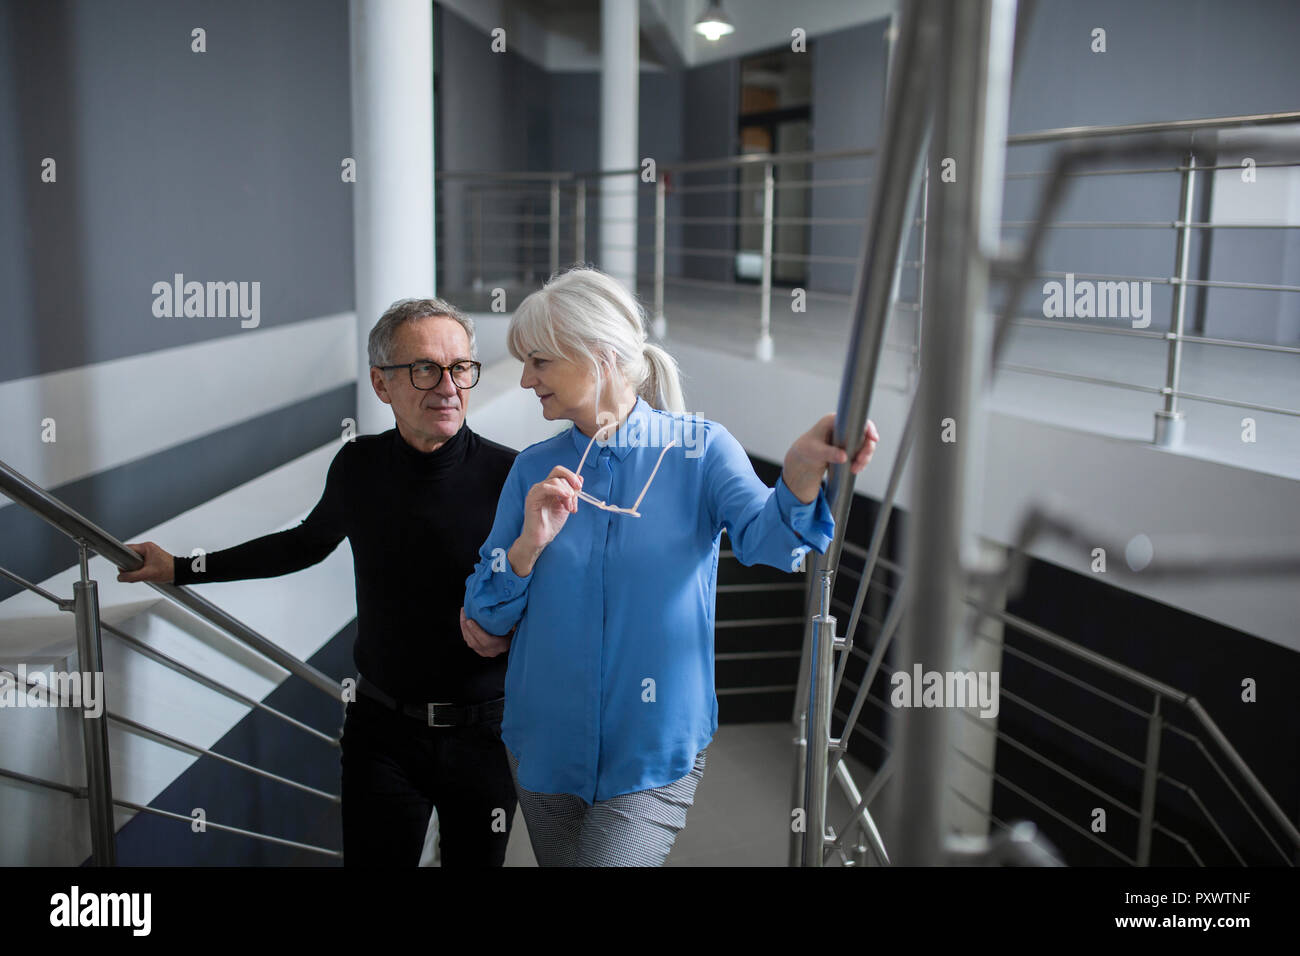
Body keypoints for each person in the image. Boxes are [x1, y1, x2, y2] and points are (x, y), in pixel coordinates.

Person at [463, 267, 879, 866]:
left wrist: (800, 471)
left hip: (651, 755)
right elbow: (485, 614)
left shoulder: (701, 450)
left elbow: (774, 541)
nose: (525, 379)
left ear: (598, 355)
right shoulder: (533, 470)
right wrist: (528, 544)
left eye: (539, 362)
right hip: (543, 748)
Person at [118, 298, 520, 867]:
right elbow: (302, 545)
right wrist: (182, 568)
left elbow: (549, 595)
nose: (448, 386)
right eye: (425, 368)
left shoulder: (511, 475)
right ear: (382, 384)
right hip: (384, 734)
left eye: (460, 367)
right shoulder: (359, 466)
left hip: (487, 736)